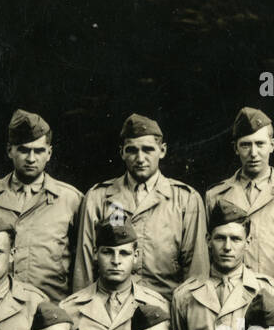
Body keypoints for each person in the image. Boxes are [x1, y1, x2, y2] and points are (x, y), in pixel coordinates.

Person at [73, 113, 208, 300]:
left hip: (164, 313)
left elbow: (196, 272)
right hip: (109, 313)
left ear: (162, 151)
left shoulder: (186, 199)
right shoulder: (98, 198)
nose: (140, 158)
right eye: (132, 150)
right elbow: (85, 268)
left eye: (148, 150)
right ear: (121, 152)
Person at [0, 108, 83, 303]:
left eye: (38, 151)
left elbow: (83, 262)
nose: (31, 159)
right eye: (23, 150)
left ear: (49, 153)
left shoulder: (70, 200)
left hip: (52, 310)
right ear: (9, 150)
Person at [172, 196, 274, 330]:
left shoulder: (272, 292)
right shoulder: (184, 296)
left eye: (235, 239)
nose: (227, 247)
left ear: (247, 242)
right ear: (208, 240)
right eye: (220, 238)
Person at [203, 106, 274, 286]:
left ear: (273, 145)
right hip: (230, 297)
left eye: (260, 144)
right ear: (235, 148)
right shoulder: (215, 196)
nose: (253, 153)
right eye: (246, 145)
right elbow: (206, 257)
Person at [60, 218, 170, 330]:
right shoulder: (70, 308)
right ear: (95, 253)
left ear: (135, 256)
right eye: (108, 252)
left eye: (124, 253)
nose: (116, 260)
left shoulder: (156, 305)